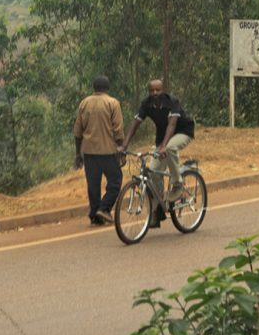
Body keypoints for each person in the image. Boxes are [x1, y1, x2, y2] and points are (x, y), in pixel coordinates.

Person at [123, 78, 194, 227]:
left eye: (158, 90)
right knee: (153, 172)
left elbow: (172, 124)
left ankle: (177, 184)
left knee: (169, 149)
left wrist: (163, 146)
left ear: (163, 90)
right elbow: (136, 123)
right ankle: (159, 209)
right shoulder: (146, 103)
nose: (155, 93)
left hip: (182, 132)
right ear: (149, 91)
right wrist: (124, 145)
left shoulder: (172, 101)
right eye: (152, 90)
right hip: (163, 138)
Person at [73, 75, 125, 226]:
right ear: (107, 88)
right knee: (115, 181)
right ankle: (104, 208)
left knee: (93, 185)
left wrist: (78, 154)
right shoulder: (112, 103)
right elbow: (118, 130)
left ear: (94, 88)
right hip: (108, 151)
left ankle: (95, 216)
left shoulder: (84, 103)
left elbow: (77, 131)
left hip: (89, 152)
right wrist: (120, 150)